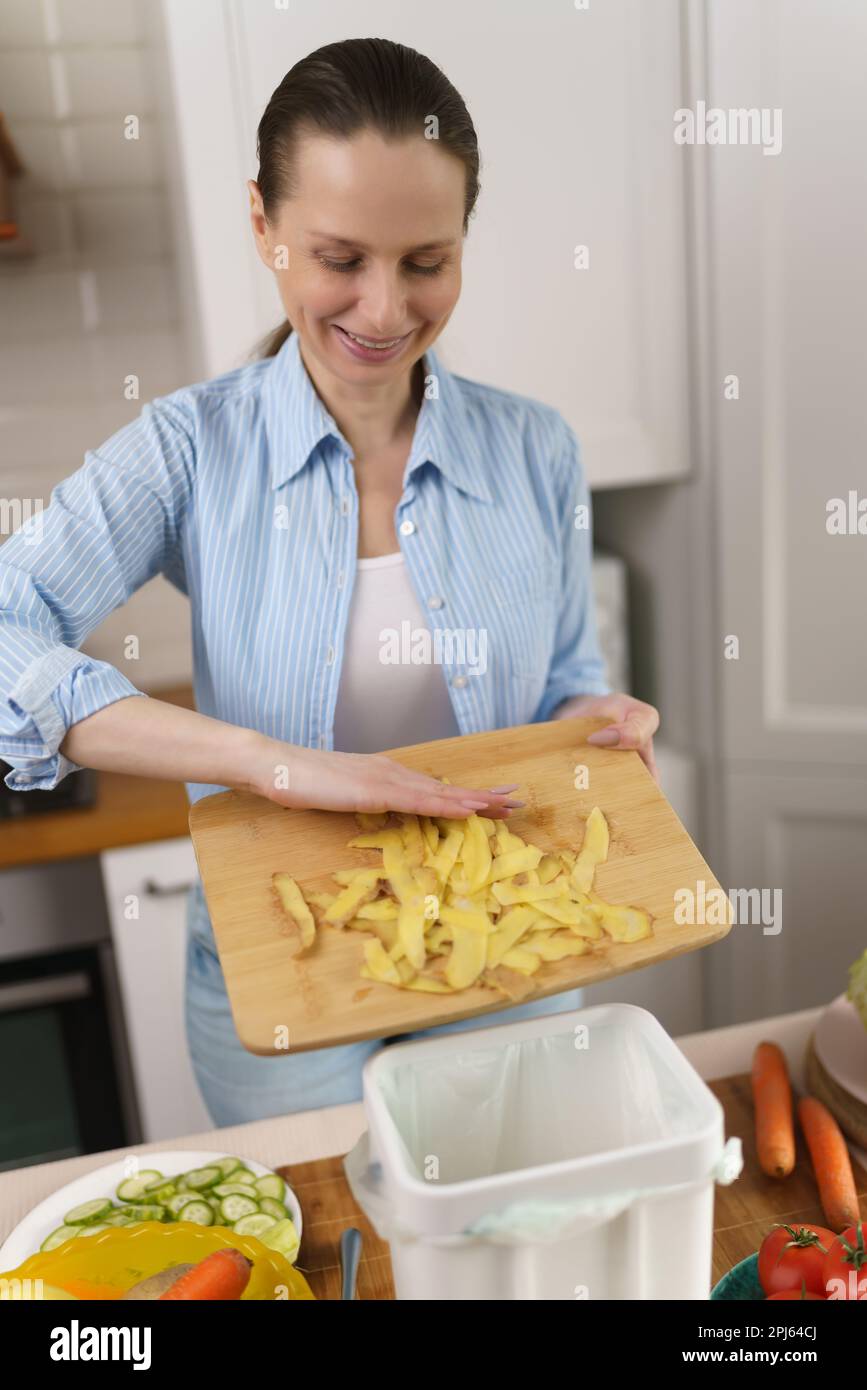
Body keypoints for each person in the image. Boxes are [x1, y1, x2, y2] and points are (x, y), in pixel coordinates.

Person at [0, 37, 659, 1125]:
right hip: (281, 967)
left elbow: (561, 687)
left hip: (506, 950)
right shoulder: (189, 449)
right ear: (262, 224)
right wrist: (273, 766)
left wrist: (596, 717)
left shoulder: (537, 447)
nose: (386, 309)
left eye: (426, 261)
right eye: (340, 257)